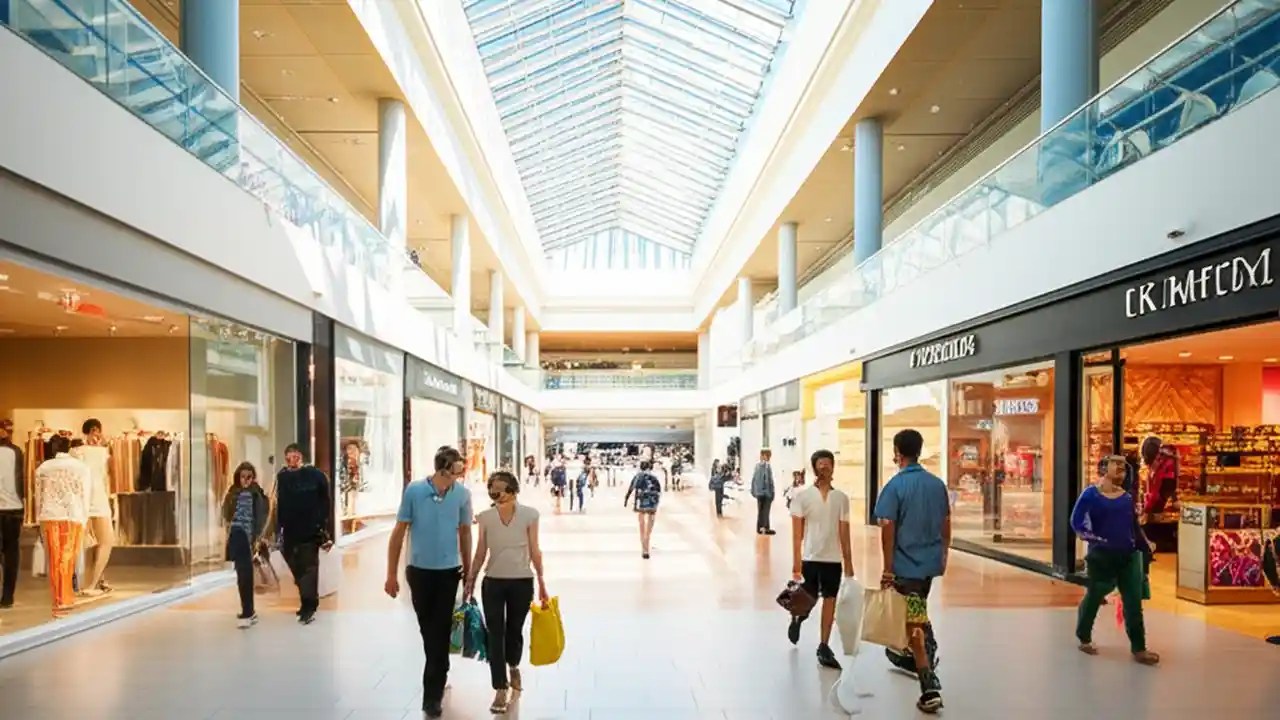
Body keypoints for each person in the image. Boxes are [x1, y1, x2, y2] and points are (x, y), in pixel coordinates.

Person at [385, 446, 474, 719]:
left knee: (441, 628)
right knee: (428, 630)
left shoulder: (462, 494)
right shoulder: (414, 491)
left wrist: (469, 571)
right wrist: (391, 574)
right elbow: (398, 533)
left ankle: (431, 696)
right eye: (459, 464)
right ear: (445, 467)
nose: (463, 468)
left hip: (449, 572)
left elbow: (465, 532)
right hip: (419, 572)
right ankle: (439, 668)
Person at [875, 429, 949, 714]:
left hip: (906, 568)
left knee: (913, 622)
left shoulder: (895, 487)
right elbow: (946, 524)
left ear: (897, 452)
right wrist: (943, 555)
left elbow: (887, 529)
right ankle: (919, 653)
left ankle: (928, 683)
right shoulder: (936, 485)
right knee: (917, 613)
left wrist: (887, 569)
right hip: (929, 565)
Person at [464, 471, 549, 714]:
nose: (495, 493)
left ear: (512, 490)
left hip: (522, 581)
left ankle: (514, 666)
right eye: (491, 488)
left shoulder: (530, 515)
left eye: (499, 488)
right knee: (495, 633)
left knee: (514, 631)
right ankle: (500, 688)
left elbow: (535, 550)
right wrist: (471, 578)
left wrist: (542, 582)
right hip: (493, 582)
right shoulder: (486, 517)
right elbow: (480, 551)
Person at [1072, 454, 1160, 666]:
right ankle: (1084, 636)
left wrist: (1145, 545)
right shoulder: (1090, 495)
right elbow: (1077, 522)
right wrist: (1092, 538)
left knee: (1133, 601)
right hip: (1101, 556)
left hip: (1128, 556)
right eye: (1116, 463)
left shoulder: (1127, 498)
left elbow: (1134, 527)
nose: (1121, 467)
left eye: (1123, 464)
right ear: (1103, 468)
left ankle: (1139, 647)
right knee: (1095, 595)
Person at [787, 450, 853, 670]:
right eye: (820, 464)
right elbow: (797, 535)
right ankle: (797, 617)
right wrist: (796, 564)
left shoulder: (841, 499)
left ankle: (823, 646)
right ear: (814, 468)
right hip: (811, 558)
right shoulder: (802, 498)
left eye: (828, 464)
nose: (825, 467)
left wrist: (849, 565)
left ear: (833, 467)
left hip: (833, 560)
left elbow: (845, 534)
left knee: (830, 600)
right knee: (808, 599)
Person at [269, 443, 332, 625]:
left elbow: (325, 502)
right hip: (289, 531)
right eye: (289, 457)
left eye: (295, 456)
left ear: (302, 457)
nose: (292, 460)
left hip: (310, 530)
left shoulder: (315, 476)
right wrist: (277, 528)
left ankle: (309, 606)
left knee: (309, 568)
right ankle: (307, 601)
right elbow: (278, 504)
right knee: (296, 567)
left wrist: (322, 526)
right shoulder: (282, 477)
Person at [221, 461, 269, 629]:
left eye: (249, 477)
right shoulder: (233, 493)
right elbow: (226, 513)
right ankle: (247, 610)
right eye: (242, 477)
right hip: (236, 535)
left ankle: (248, 611)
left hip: (248, 537)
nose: (245, 480)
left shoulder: (258, 495)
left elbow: (262, 517)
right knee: (243, 574)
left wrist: (259, 537)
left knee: (245, 575)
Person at [0, 419, 25, 609]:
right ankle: (8, 596)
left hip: (11, 508)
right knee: (11, 554)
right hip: (14, 508)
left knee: (10, 554)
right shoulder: (16, 451)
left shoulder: (16, 451)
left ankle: (7, 596)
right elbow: (21, 479)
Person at [625, 460, 663, 558]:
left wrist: (626, 499)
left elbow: (631, 488)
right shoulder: (654, 477)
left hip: (642, 501)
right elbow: (659, 490)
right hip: (652, 501)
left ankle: (644, 548)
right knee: (650, 523)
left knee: (641, 523)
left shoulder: (638, 476)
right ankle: (647, 538)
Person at [751, 448, 776, 536]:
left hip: (759, 492)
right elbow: (768, 480)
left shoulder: (757, 466)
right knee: (765, 510)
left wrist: (754, 490)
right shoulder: (766, 466)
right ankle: (764, 527)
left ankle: (761, 527)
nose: (769, 458)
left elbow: (754, 479)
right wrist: (771, 491)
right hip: (765, 492)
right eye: (768, 456)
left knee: (761, 510)